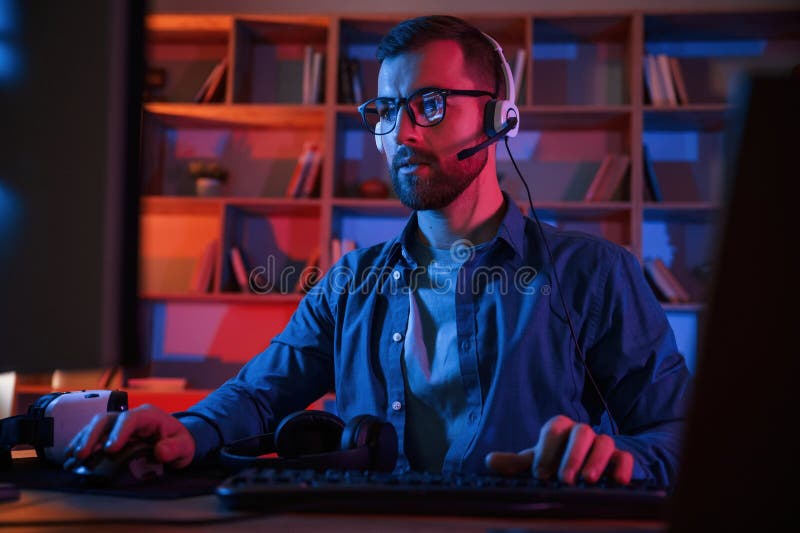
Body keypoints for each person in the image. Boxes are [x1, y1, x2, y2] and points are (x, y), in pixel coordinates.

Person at [64, 15, 690, 487]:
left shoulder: (591, 275)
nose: (404, 131)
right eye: (387, 110)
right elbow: (260, 394)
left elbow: (680, 432)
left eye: (432, 104)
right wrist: (188, 429)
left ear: (500, 118)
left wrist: (621, 459)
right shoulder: (349, 284)